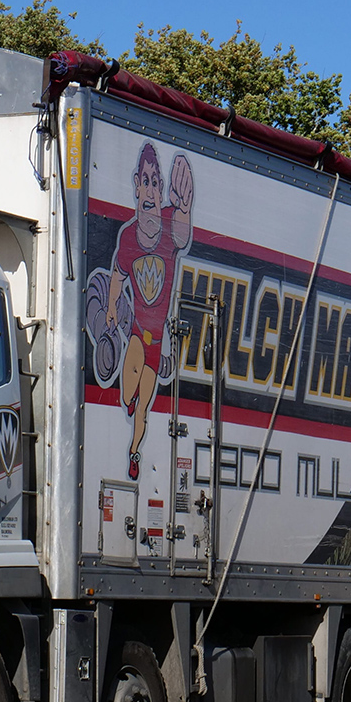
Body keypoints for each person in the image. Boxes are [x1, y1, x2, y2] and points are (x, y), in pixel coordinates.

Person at [104, 143, 194, 480]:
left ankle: (133, 454)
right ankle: (128, 411)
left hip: (156, 342)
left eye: (157, 182)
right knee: (129, 395)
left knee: (142, 406)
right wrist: (112, 307)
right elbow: (117, 276)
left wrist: (184, 205)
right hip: (137, 332)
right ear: (137, 185)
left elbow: (183, 230)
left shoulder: (171, 225)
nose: (152, 189)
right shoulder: (128, 237)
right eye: (146, 181)